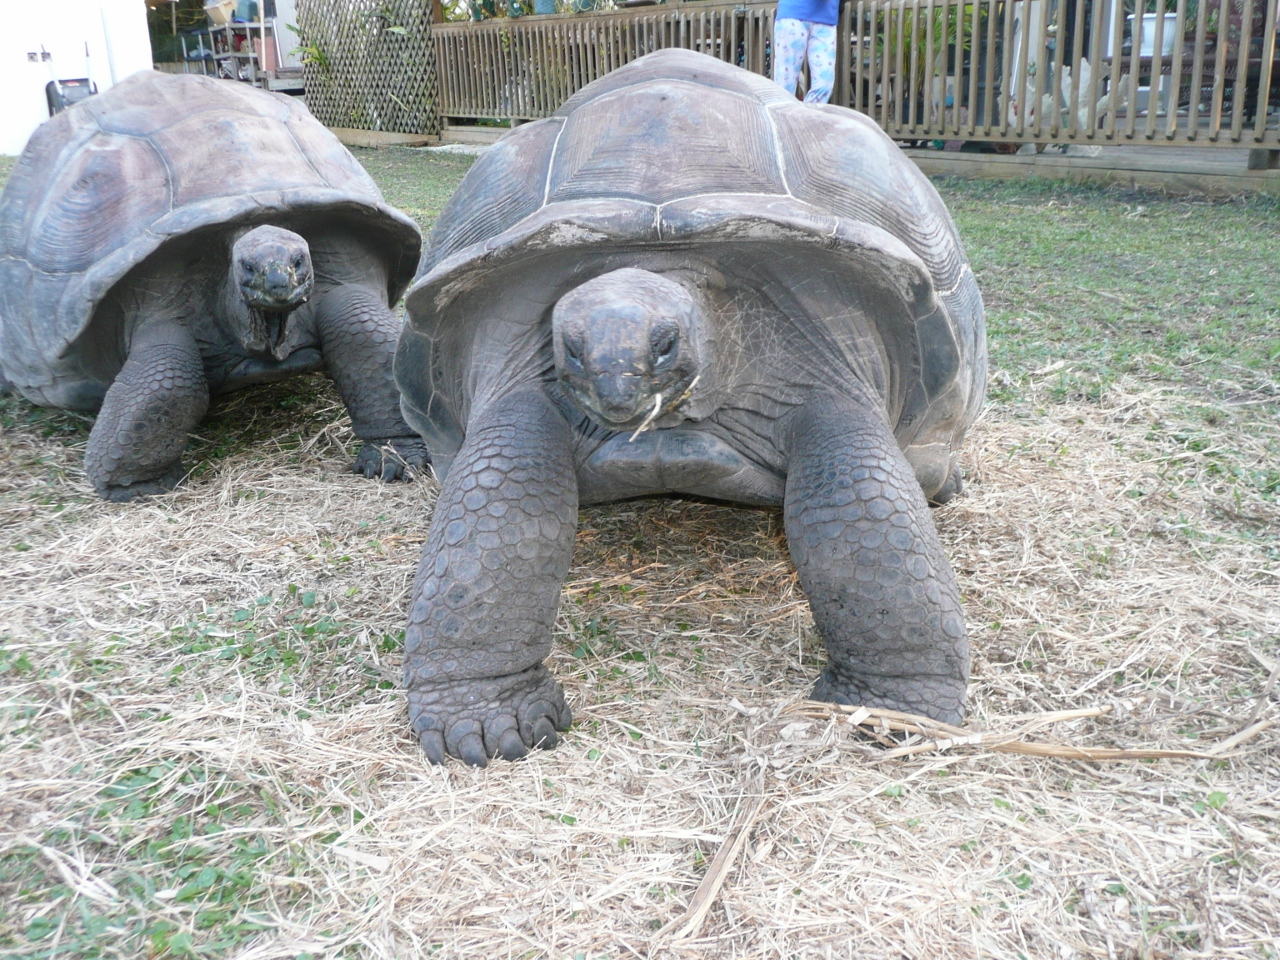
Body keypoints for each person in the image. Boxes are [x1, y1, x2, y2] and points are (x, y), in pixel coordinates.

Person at [772, 0, 839, 104]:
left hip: (827, 19)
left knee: (824, 86)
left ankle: (804, 118)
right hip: (792, 14)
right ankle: (784, 118)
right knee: (784, 87)